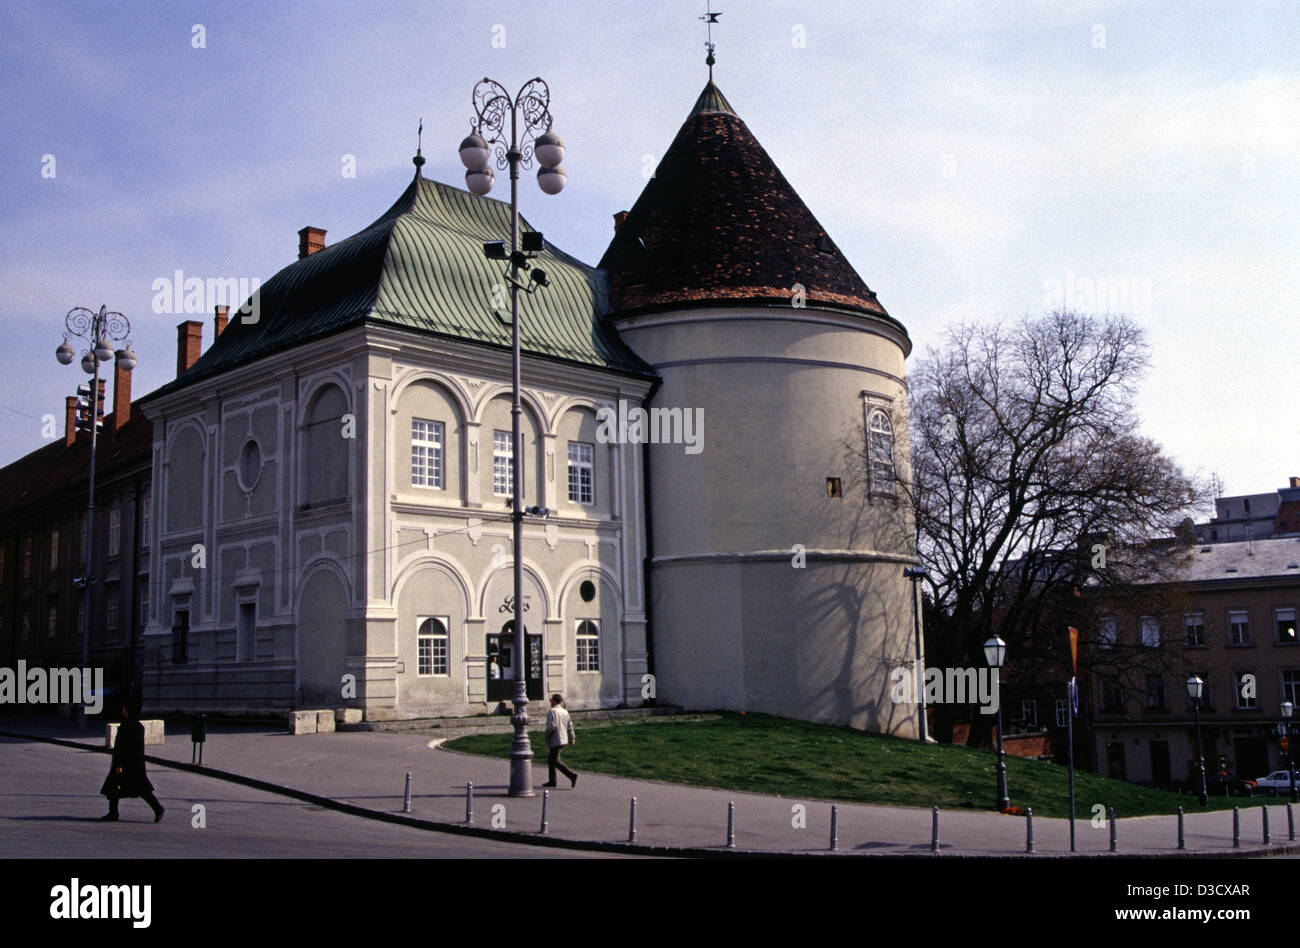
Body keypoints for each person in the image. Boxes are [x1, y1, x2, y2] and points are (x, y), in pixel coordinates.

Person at [100, 700, 164, 823]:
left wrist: (119, 765)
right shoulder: (135, 725)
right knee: (121, 788)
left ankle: (158, 808)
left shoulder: (129, 726)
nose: (122, 711)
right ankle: (113, 812)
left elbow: (124, 749)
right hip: (134, 765)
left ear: (130, 711)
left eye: (125, 709)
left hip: (126, 765)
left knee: (129, 788)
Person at [542, 693, 577, 789]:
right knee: (551, 760)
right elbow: (570, 726)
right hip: (563, 738)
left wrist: (546, 736)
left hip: (555, 738)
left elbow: (551, 726)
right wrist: (572, 738)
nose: (550, 702)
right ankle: (552, 780)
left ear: (554, 701)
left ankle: (571, 775)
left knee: (554, 760)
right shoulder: (564, 711)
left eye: (551, 700)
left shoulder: (552, 712)